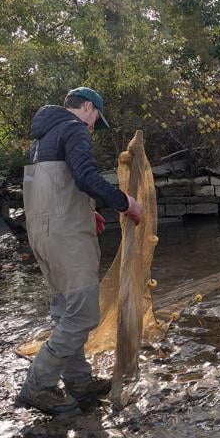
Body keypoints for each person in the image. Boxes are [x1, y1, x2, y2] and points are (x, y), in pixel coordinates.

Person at [18, 87, 143, 414]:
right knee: (84, 312)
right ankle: (39, 385)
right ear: (87, 107)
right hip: (64, 237)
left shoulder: (41, 138)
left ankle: (78, 380)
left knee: (64, 309)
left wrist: (85, 210)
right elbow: (86, 177)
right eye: (94, 120)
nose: (92, 128)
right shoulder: (73, 128)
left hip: (42, 233)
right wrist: (126, 203)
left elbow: (52, 187)